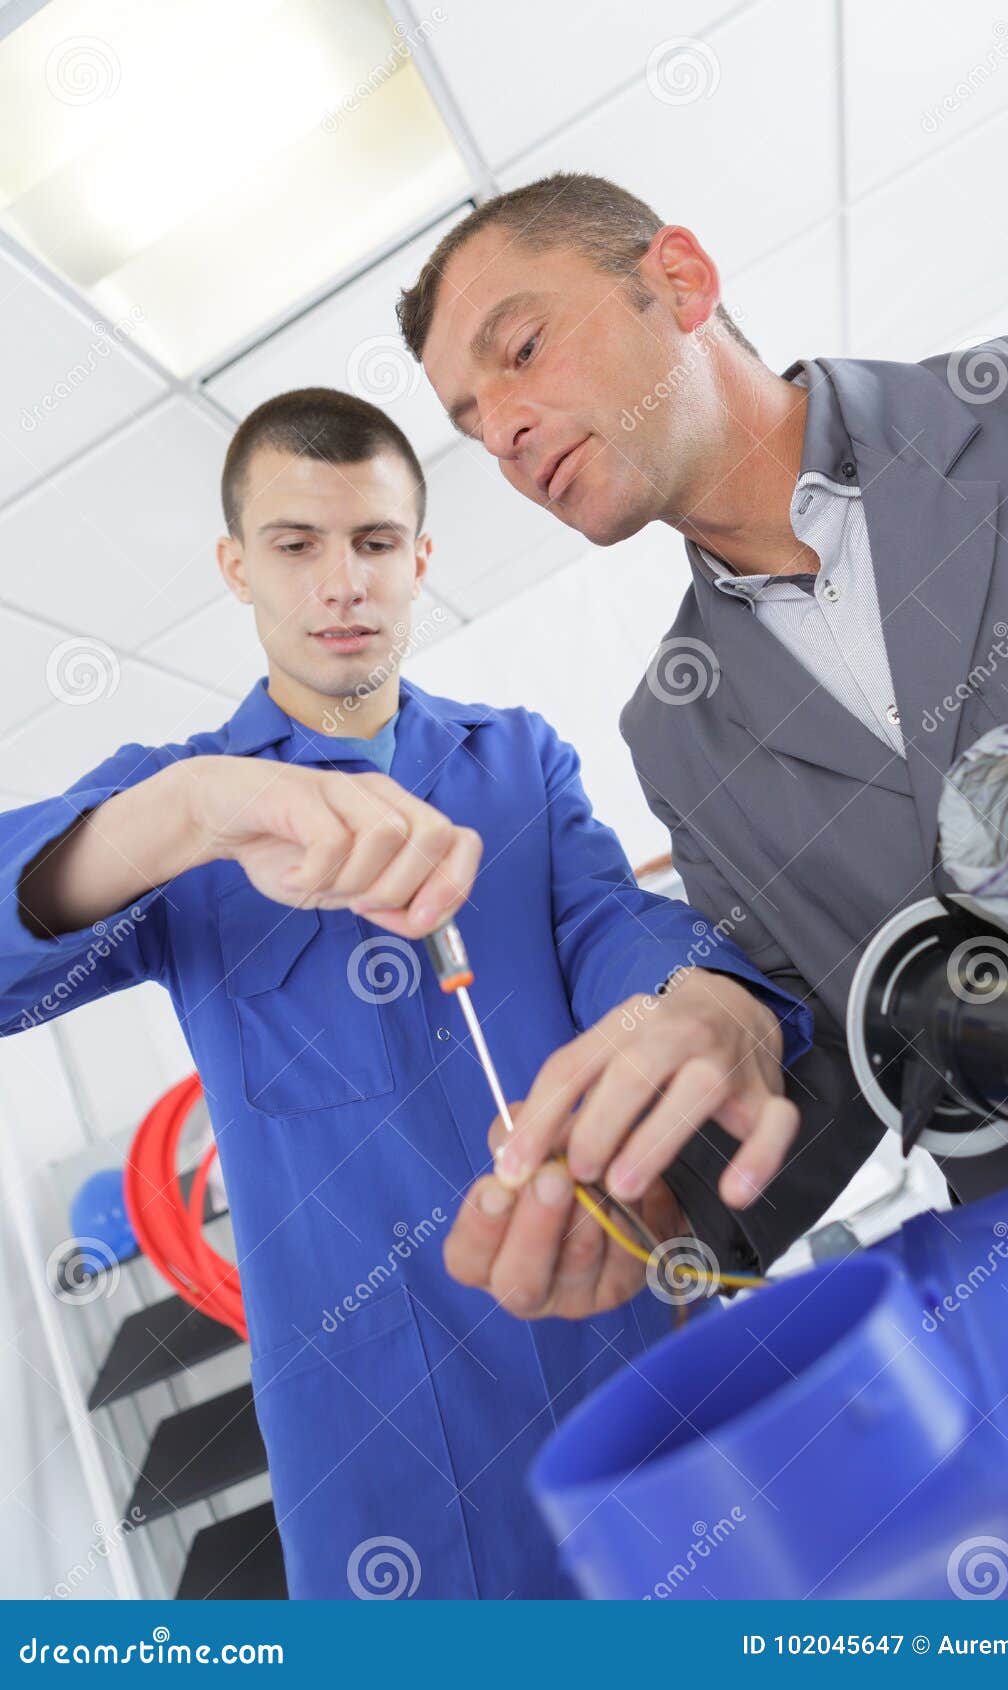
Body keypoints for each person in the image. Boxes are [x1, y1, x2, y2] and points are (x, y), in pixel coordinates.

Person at [0, 388, 811, 1599]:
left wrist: (698, 999)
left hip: (616, 1354)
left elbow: (611, 928)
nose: (342, 584)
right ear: (237, 567)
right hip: (385, 1460)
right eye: (295, 545)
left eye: (374, 542)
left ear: (419, 558)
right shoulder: (172, 812)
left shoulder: (514, 759)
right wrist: (193, 814)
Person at [396, 169, 1008, 1309]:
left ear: (680, 281)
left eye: (519, 350)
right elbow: (818, 1057)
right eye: (472, 428)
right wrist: (657, 1206)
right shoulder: (677, 731)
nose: (504, 431)